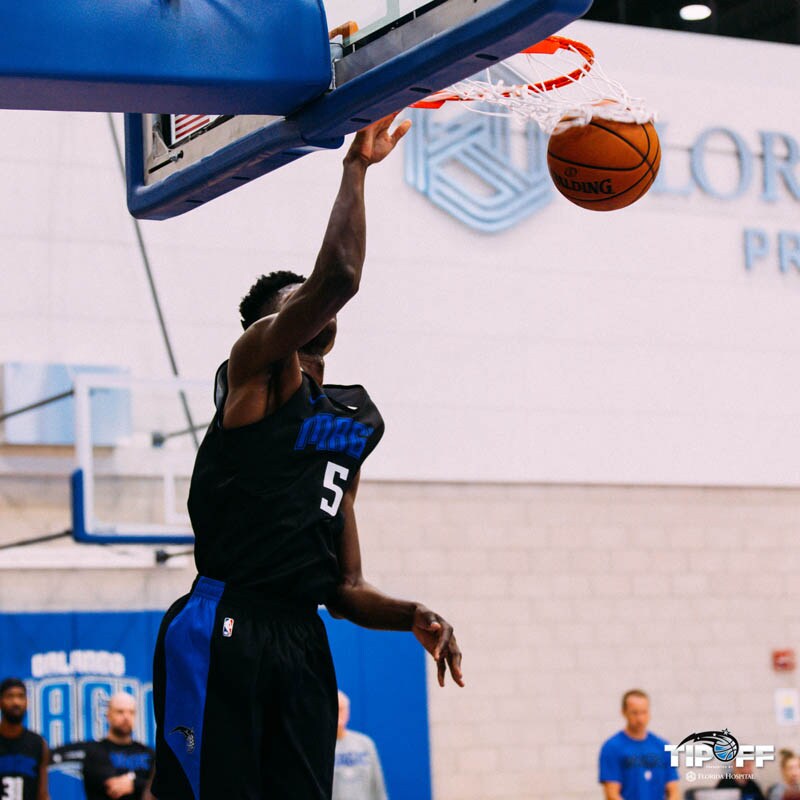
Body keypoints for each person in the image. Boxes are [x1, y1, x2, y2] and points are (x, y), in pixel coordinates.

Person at [151, 112, 463, 800]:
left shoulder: (351, 420)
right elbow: (339, 276)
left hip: (301, 634)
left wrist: (411, 614)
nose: (314, 306)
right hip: (226, 619)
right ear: (273, 325)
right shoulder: (255, 371)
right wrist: (355, 168)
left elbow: (344, 587)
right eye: (296, 303)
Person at [598, 689, 679, 800]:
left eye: (644, 712)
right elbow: (612, 795)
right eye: (634, 713)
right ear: (623, 712)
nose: (640, 719)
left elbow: (674, 791)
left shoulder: (664, 746)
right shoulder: (611, 747)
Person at [82, 693, 154, 800]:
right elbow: (114, 787)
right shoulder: (95, 752)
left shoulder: (149, 753)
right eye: (120, 712)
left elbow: (162, 788)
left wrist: (133, 784)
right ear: (108, 715)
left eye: (131, 712)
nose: (126, 717)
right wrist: (144, 785)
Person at [332, 692, 388, 800]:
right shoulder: (319, 749)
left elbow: (377, 785)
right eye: (334, 709)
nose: (338, 714)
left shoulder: (365, 744)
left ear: (347, 712)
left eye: (341, 709)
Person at [0, 678, 49, 800]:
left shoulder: (38, 743)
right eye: (10, 696)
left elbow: (42, 794)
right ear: (1, 701)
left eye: (21, 696)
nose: (16, 702)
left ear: (27, 702)